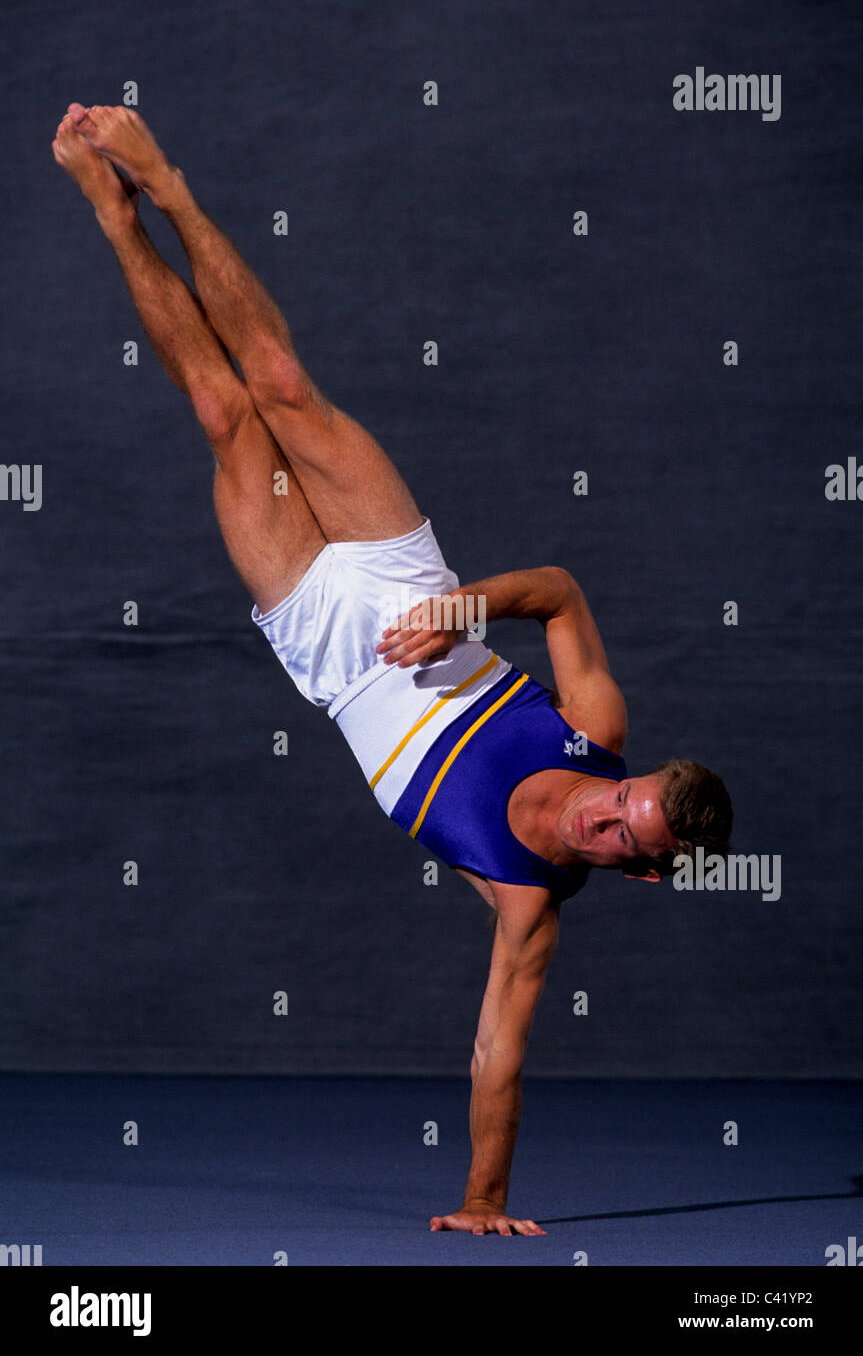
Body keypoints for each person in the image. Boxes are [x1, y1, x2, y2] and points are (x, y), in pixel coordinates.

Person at [53, 104, 733, 1237]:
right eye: (624, 798)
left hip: (326, 639)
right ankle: (164, 179)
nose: (601, 817)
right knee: (274, 378)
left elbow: (496, 1063)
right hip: (409, 574)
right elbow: (558, 585)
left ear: (646, 874)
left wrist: (481, 1200)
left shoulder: (525, 908)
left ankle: (110, 214)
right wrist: (461, 607)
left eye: (624, 839)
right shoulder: (594, 723)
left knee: (223, 414)